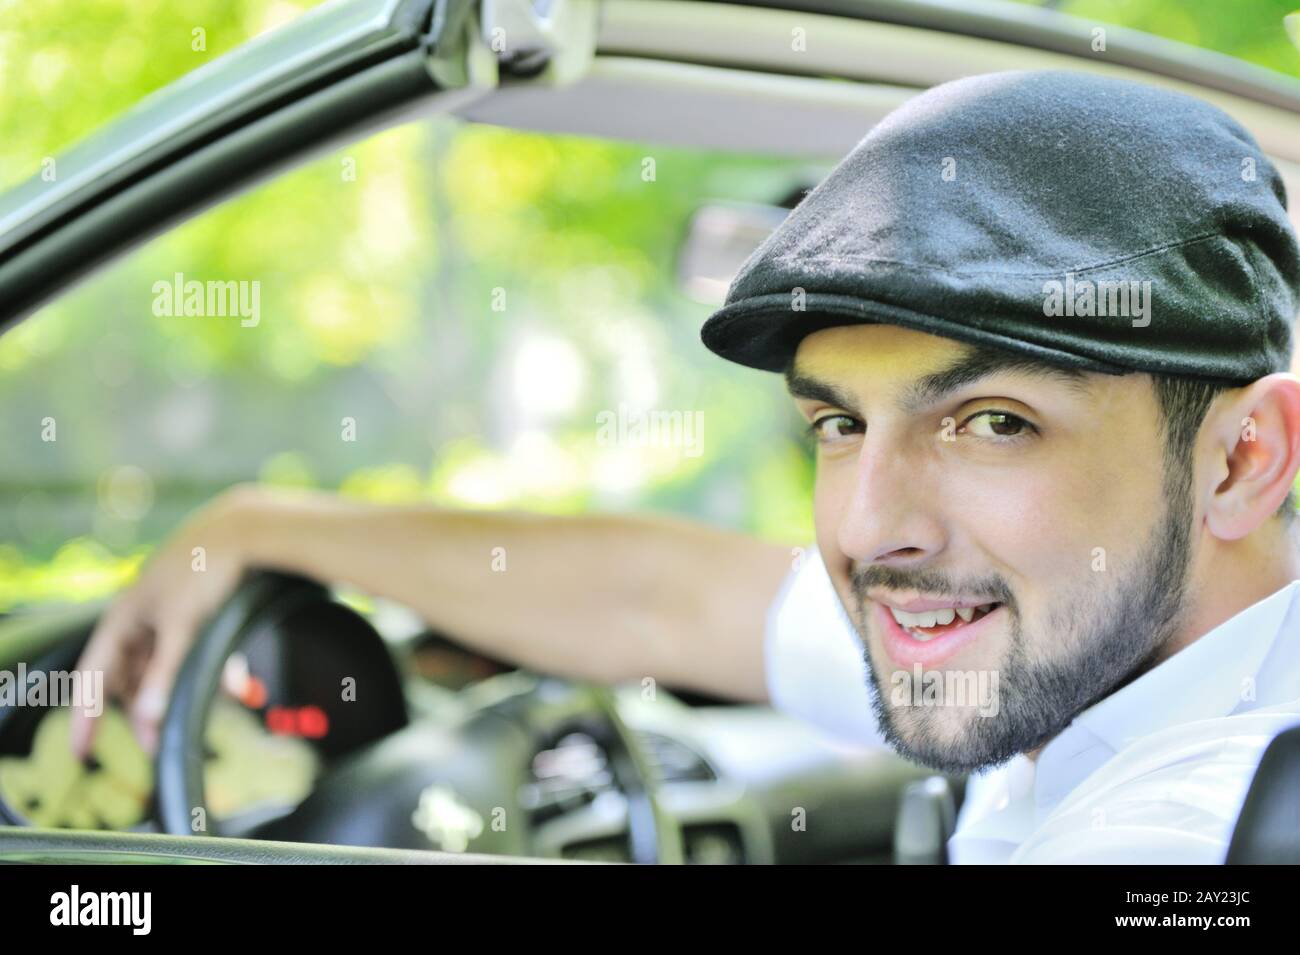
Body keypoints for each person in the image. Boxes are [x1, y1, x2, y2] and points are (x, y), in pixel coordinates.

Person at [72, 70, 1300, 863]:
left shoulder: (1194, 827)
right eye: (836, 424)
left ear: (1243, 457)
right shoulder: (1084, 640)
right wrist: (255, 525)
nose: (871, 530)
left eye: (989, 423)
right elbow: (659, 598)